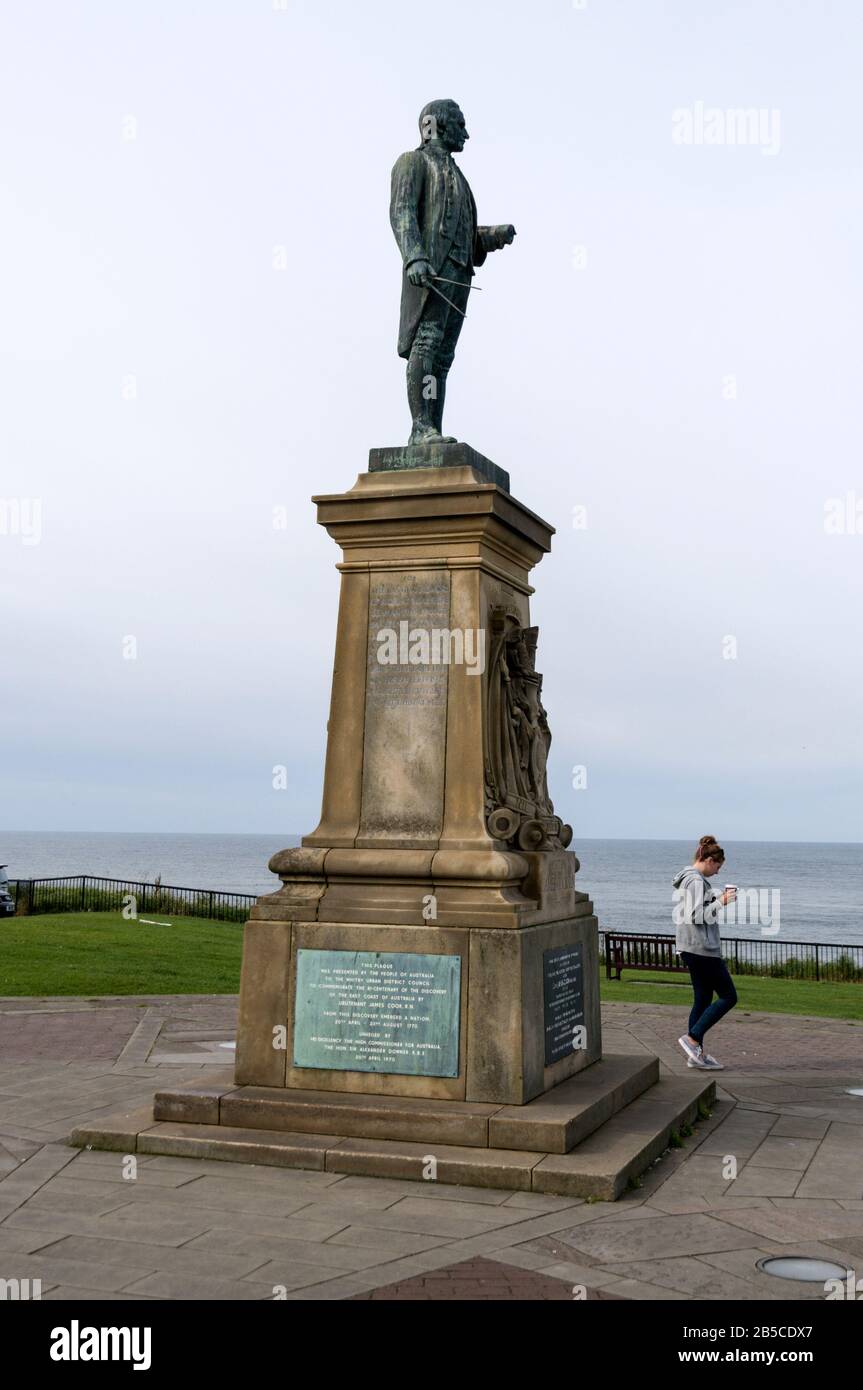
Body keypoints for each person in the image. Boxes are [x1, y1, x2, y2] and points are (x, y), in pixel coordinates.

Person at [390, 99, 516, 445]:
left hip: (459, 275)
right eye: (460, 124)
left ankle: (434, 428)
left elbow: (461, 231)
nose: (467, 133)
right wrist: (414, 257)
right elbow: (401, 213)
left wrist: (491, 236)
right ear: (439, 126)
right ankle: (421, 428)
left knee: (444, 355)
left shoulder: (459, 177)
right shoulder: (412, 162)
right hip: (431, 271)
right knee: (426, 343)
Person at [673, 835, 738, 1070]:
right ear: (709, 860)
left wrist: (715, 899)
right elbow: (696, 916)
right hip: (701, 949)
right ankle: (691, 1039)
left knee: (702, 999)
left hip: (692, 947)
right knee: (729, 996)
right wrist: (721, 901)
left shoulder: (692, 880)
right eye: (718, 867)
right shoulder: (696, 881)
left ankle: (696, 1055)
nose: (718, 873)